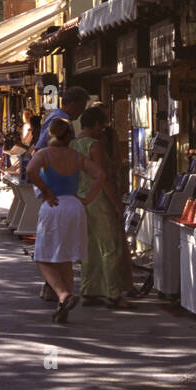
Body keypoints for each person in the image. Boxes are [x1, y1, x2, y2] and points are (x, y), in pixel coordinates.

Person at [26, 116, 105, 323]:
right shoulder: (76, 156)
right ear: (69, 135)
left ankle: (63, 294)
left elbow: (30, 171)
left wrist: (45, 191)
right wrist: (87, 198)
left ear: (50, 134)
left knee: (42, 257)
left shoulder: (44, 154)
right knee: (65, 259)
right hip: (74, 205)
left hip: (53, 206)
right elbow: (100, 175)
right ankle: (63, 307)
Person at [72, 108, 129, 310]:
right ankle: (113, 294)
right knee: (110, 247)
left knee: (89, 248)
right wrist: (116, 204)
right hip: (99, 200)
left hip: (80, 199)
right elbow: (103, 178)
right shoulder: (94, 145)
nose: (102, 130)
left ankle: (89, 290)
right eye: (102, 126)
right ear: (96, 124)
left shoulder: (72, 144)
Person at [33, 86, 89, 150]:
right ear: (72, 104)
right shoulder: (61, 119)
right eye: (81, 107)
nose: (82, 111)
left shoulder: (56, 114)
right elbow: (42, 145)